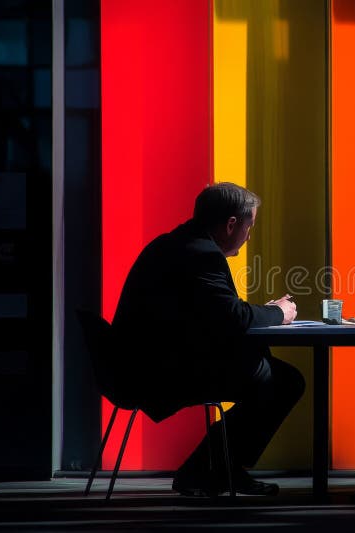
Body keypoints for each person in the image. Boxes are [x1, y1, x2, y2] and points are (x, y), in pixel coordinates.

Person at [111, 182, 304, 497]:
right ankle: (211, 470)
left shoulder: (175, 244)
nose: (249, 235)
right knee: (283, 381)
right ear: (231, 224)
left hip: (146, 362)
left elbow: (218, 316)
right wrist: (279, 313)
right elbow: (233, 318)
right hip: (157, 372)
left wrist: (257, 315)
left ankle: (215, 469)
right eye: (249, 226)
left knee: (268, 372)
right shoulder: (201, 254)